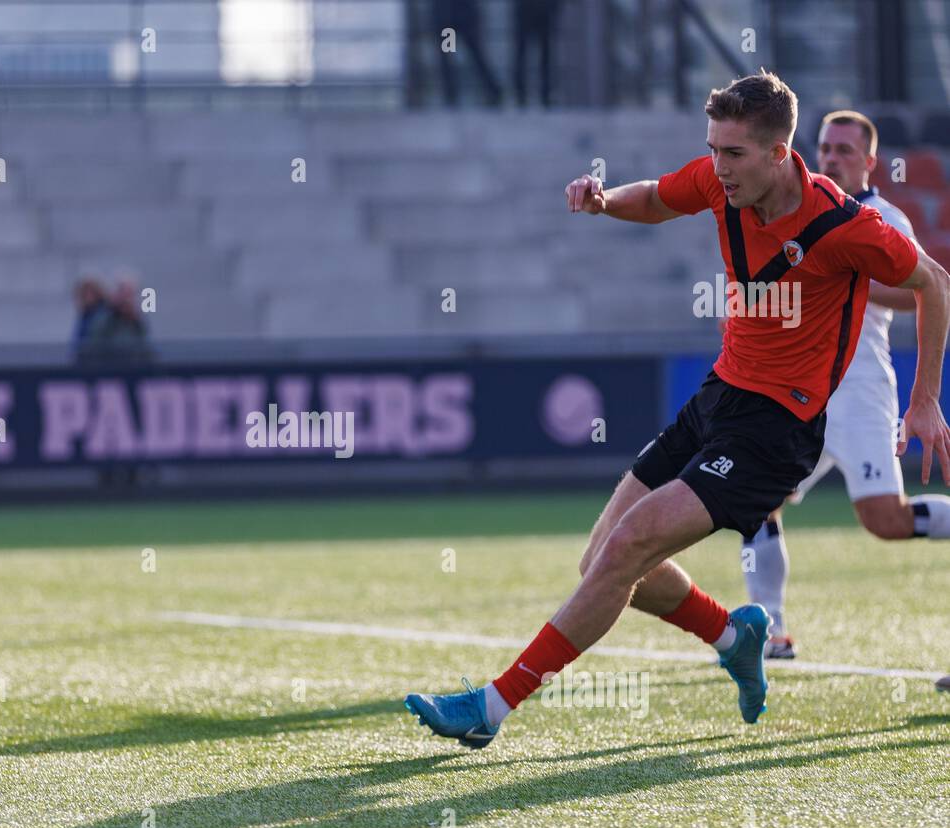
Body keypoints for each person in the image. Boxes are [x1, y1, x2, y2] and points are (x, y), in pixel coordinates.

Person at [406, 71, 950, 747]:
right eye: (714, 150)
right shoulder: (721, 184)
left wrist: (924, 397)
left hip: (776, 430)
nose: (718, 169)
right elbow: (657, 200)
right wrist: (605, 202)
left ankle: (491, 706)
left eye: (734, 154)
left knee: (629, 544)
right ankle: (732, 635)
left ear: (780, 153)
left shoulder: (845, 225)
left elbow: (934, 282)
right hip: (718, 398)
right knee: (602, 557)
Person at [734, 110, 950, 662]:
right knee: (755, 500)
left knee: (885, 519)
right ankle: (771, 632)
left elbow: (925, 290)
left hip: (857, 391)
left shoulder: (882, 217)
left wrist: (845, 273)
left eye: (845, 151)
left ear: (870, 162)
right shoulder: (798, 211)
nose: (830, 158)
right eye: (826, 148)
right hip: (798, 392)